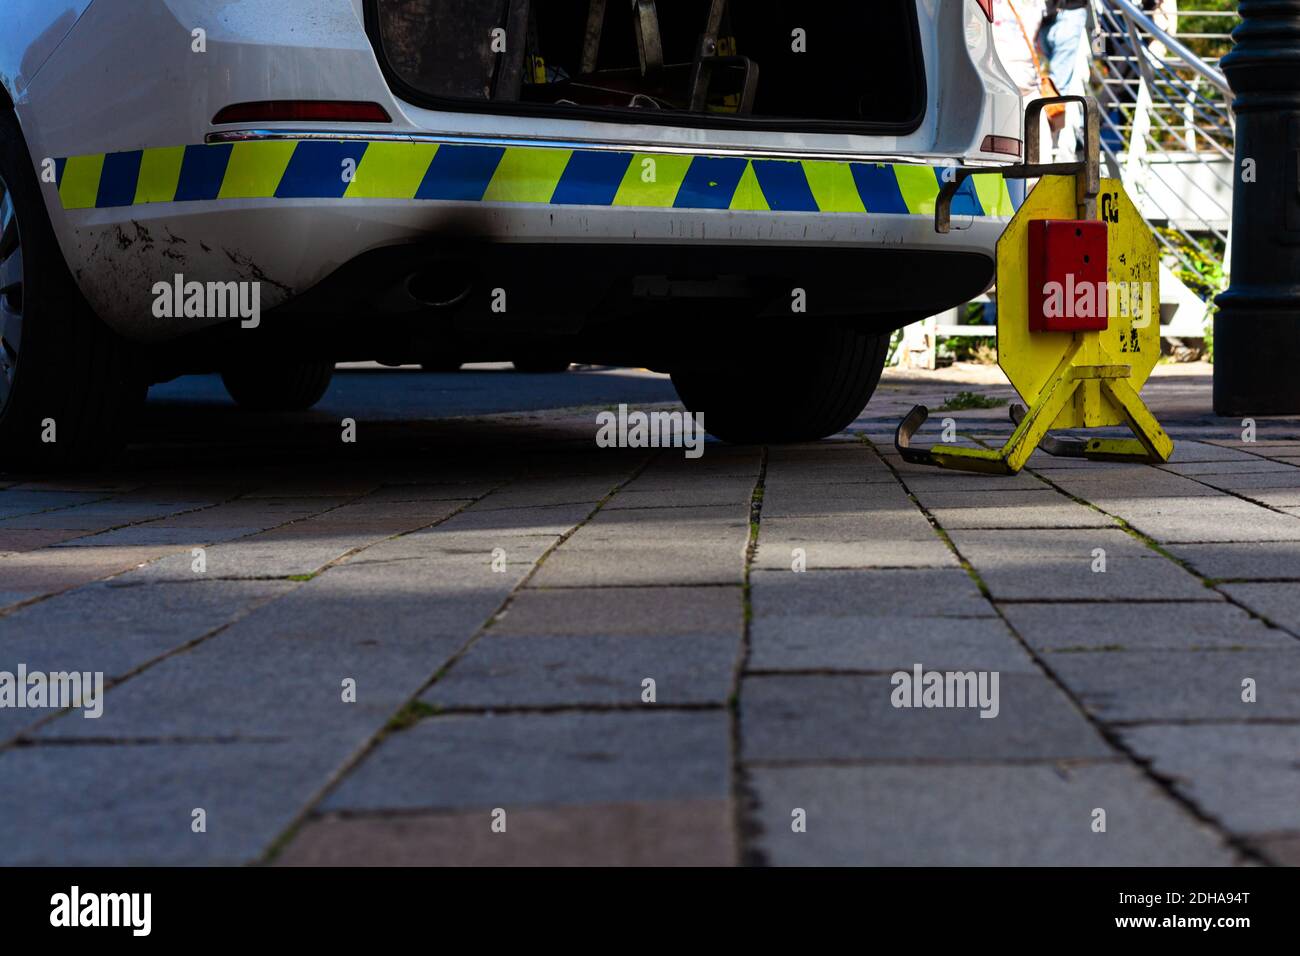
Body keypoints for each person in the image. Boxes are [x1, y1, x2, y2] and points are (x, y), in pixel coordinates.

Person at [1039, 0, 1096, 160]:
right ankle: (1053, 147)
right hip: (1055, 14)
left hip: (1053, 14)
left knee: (1057, 86)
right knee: (1057, 87)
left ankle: (1054, 147)